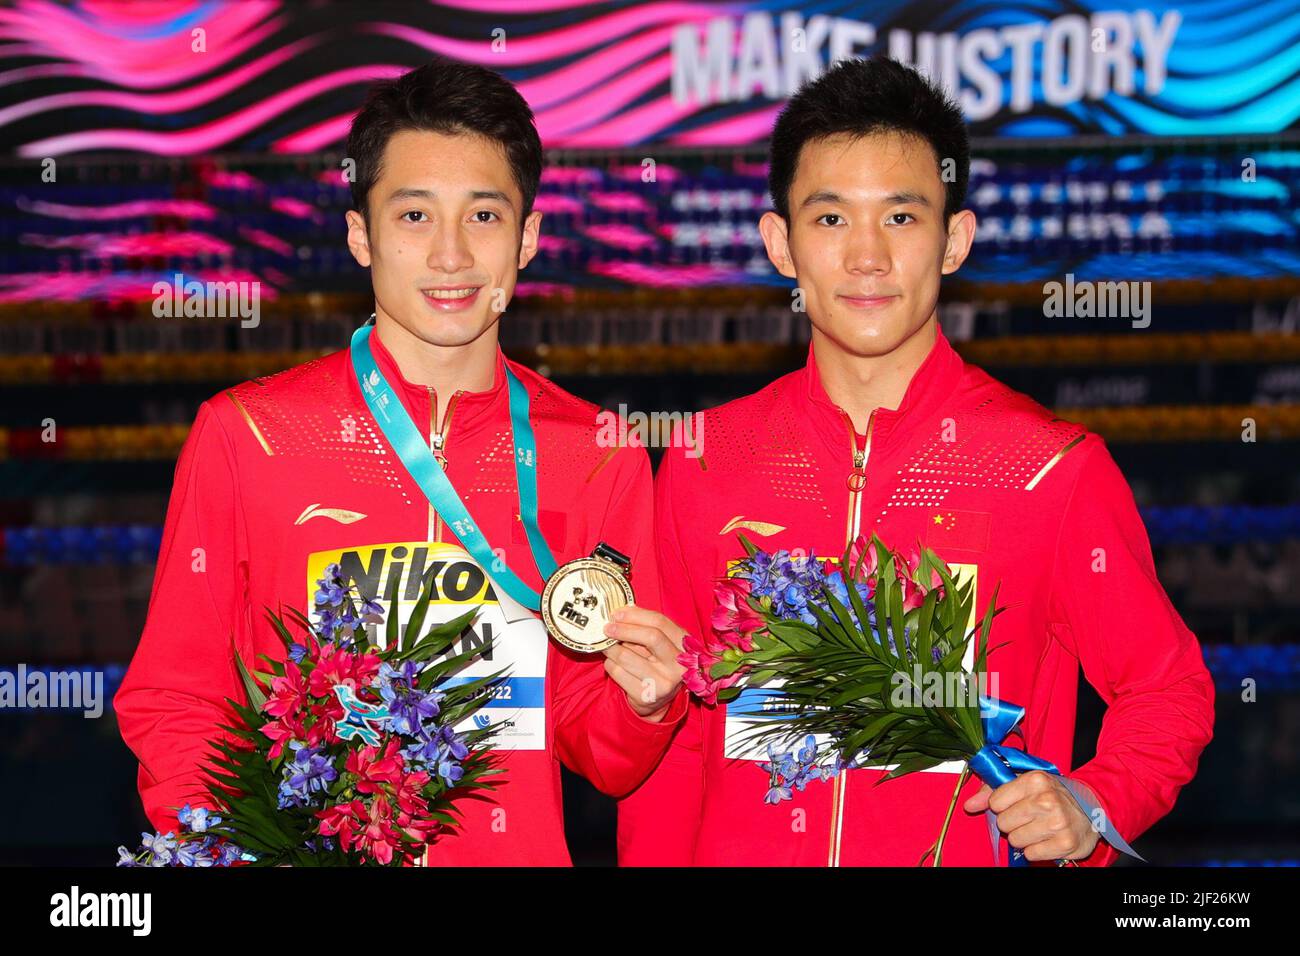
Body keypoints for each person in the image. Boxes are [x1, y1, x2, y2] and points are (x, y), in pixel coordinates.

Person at [617, 56, 1215, 866]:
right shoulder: (703, 459)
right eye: (829, 220)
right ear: (780, 244)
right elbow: (679, 740)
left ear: (955, 240)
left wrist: (1090, 803)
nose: (867, 257)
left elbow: (1168, 690)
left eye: (901, 218)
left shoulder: (1048, 468)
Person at [114, 58, 687, 866]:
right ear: (361, 235)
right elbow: (176, 698)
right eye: (414, 214)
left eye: (484, 216)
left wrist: (647, 704)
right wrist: (227, 851)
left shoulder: (598, 454)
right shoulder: (249, 435)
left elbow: (601, 749)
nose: (451, 255)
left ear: (527, 237)